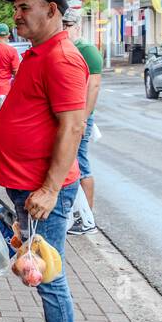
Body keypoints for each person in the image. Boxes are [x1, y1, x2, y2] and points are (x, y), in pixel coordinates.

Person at [0, 0, 90, 322]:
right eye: (15, 8)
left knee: (47, 275)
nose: (16, 15)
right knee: (45, 270)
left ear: (52, 10)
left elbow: (73, 126)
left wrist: (49, 189)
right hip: (27, 185)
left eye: (24, 7)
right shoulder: (38, 53)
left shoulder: (62, 58)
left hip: (42, 190)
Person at [65, 15, 103, 235]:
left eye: (68, 25)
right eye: (62, 24)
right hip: (72, 117)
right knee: (73, 163)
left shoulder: (86, 49)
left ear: (77, 27)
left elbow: (94, 87)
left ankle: (87, 219)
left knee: (80, 164)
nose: (64, 29)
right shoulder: (67, 48)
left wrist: (83, 118)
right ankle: (79, 215)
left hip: (81, 118)